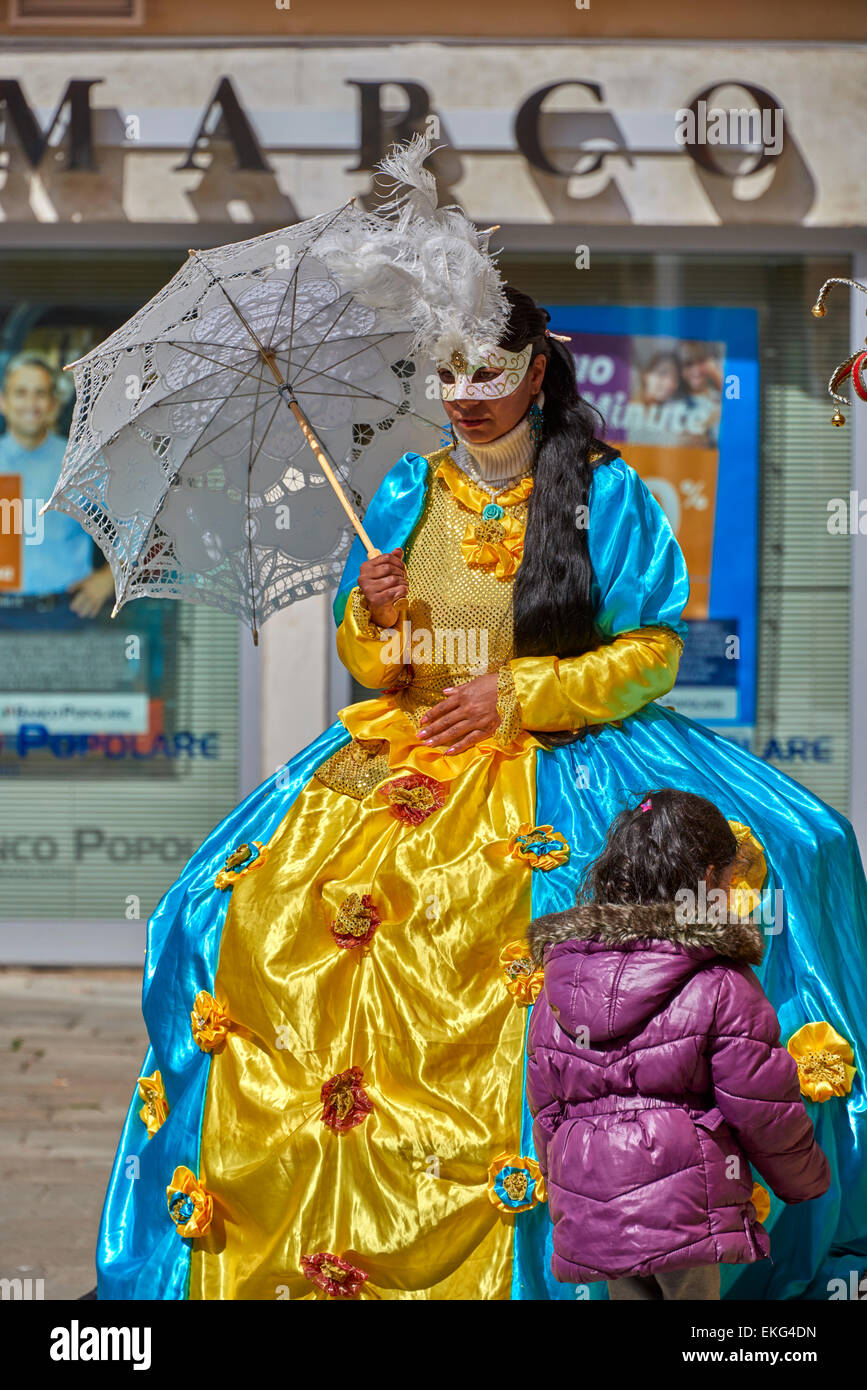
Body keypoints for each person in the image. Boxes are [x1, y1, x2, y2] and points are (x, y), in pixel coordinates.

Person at [96, 286, 866, 1302]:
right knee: (233, 906)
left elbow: (654, 648)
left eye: (487, 373)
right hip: (409, 757)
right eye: (446, 372)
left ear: (536, 371)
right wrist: (371, 620)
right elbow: (376, 663)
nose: (463, 394)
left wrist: (525, 692)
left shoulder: (603, 489)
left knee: (799, 842)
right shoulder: (405, 490)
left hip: (573, 755)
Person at [526, 788, 831, 1301]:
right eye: (731, 879)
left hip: (592, 1198)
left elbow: (547, 1107)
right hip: (687, 1202)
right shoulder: (717, 979)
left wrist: (573, 1191)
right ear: (708, 878)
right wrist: (805, 1180)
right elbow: (760, 1105)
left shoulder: (561, 981)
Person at [0, 352, 114, 615]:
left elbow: (136, 524)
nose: (31, 403)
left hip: (66, 611)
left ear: (54, 404)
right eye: (21, 393)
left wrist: (109, 577)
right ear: (3, 402)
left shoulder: (81, 463)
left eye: (40, 394)